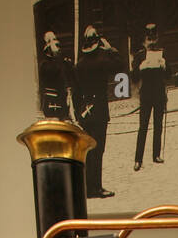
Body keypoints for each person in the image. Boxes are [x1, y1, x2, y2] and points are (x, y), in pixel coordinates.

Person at [76, 26, 119, 198]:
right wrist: (111, 50)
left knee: (87, 150)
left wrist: (79, 112)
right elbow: (120, 66)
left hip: (85, 112)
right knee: (98, 149)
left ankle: (87, 187)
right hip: (100, 110)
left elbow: (76, 92)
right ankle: (97, 187)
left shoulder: (78, 65)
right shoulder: (103, 61)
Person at [132, 22, 167, 170]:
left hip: (159, 94)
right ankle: (138, 159)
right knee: (143, 127)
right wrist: (141, 67)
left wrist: (165, 65)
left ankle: (156, 154)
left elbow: (169, 74)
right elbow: (133, 77)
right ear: (144, 41)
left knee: (158, 126)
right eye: (149, 40)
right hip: (146, 95)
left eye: (153, 40)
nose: (151, 43)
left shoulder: (161, 53)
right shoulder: (140, 55)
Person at [38, 30, 75, 120]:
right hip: (52, 102)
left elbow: (70, 73)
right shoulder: (45, 64)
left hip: (62, 101)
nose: (57, 45)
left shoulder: (61, 61)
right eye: (52, 40)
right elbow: (54, 72)